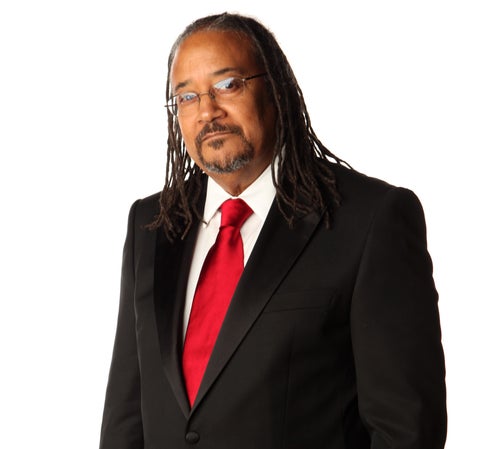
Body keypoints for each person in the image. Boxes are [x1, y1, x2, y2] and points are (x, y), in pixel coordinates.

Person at [99, 12, 447, 449]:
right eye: (186, 96)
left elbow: (406, 431)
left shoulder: (370, 220)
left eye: (228, 85)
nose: (207, 111)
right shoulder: (151, 223)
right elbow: (126, 420)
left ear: (276, 90)